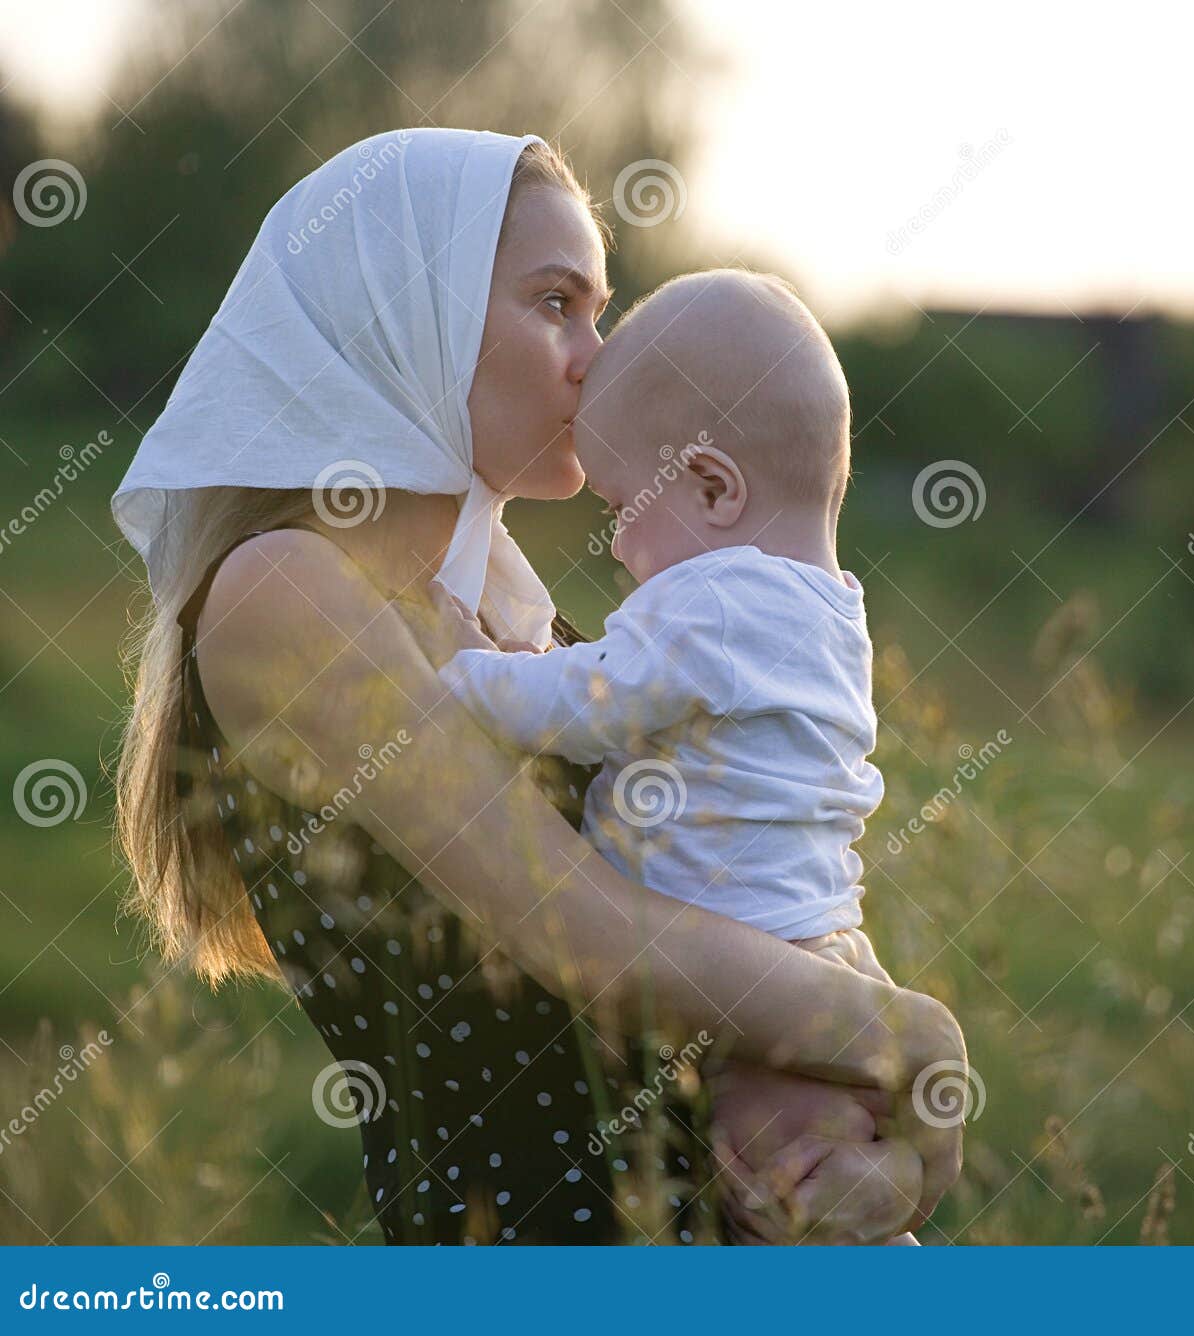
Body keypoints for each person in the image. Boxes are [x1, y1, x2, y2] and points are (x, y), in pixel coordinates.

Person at [112, 128, 965, 1245]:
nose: (594, 355)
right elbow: (584, 931)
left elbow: (744, 899)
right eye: (555, 303)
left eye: (598, 310)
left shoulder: (518, 616)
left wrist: (876, 1156)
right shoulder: (287, 589)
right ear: (404, 317)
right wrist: (916, 1037)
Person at [431, 267, 919, 1239]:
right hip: (818, 939)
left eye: (623, 507)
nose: (617, 547)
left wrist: (467, 671)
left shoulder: (719, 597)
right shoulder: (830, 608)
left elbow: (595, 700)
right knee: (833, 1198)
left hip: (749, 962)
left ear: (710, 485)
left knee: (778, 1195)